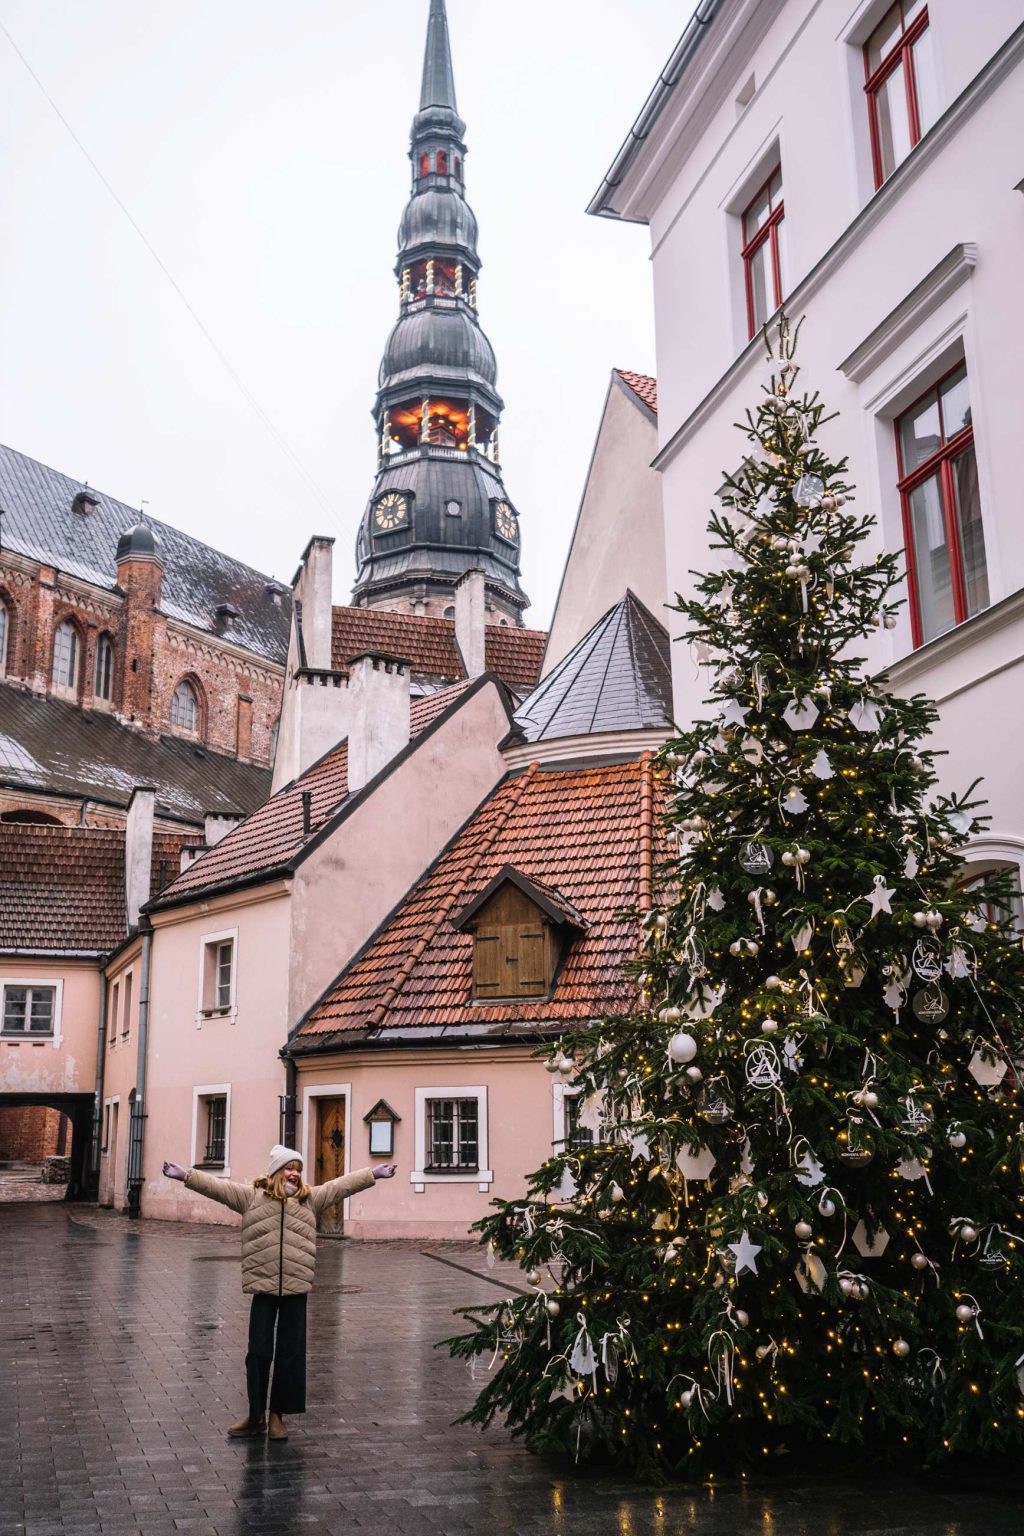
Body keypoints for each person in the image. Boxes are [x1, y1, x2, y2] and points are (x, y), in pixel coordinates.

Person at [162, 1143, 396, 1440]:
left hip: (296, 1289)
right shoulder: (251, 1198)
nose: (295, 1174)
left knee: (291, 1355)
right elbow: (216, 1188)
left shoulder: (309, 1200)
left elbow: (340, 1187)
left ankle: (277, 1417)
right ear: (275, 1171)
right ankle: (255, 1415)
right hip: (263, 1287)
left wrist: (372, 1174)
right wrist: (185, 1175)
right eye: (289, 1168)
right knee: (258, 1354)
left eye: (298, 1169)